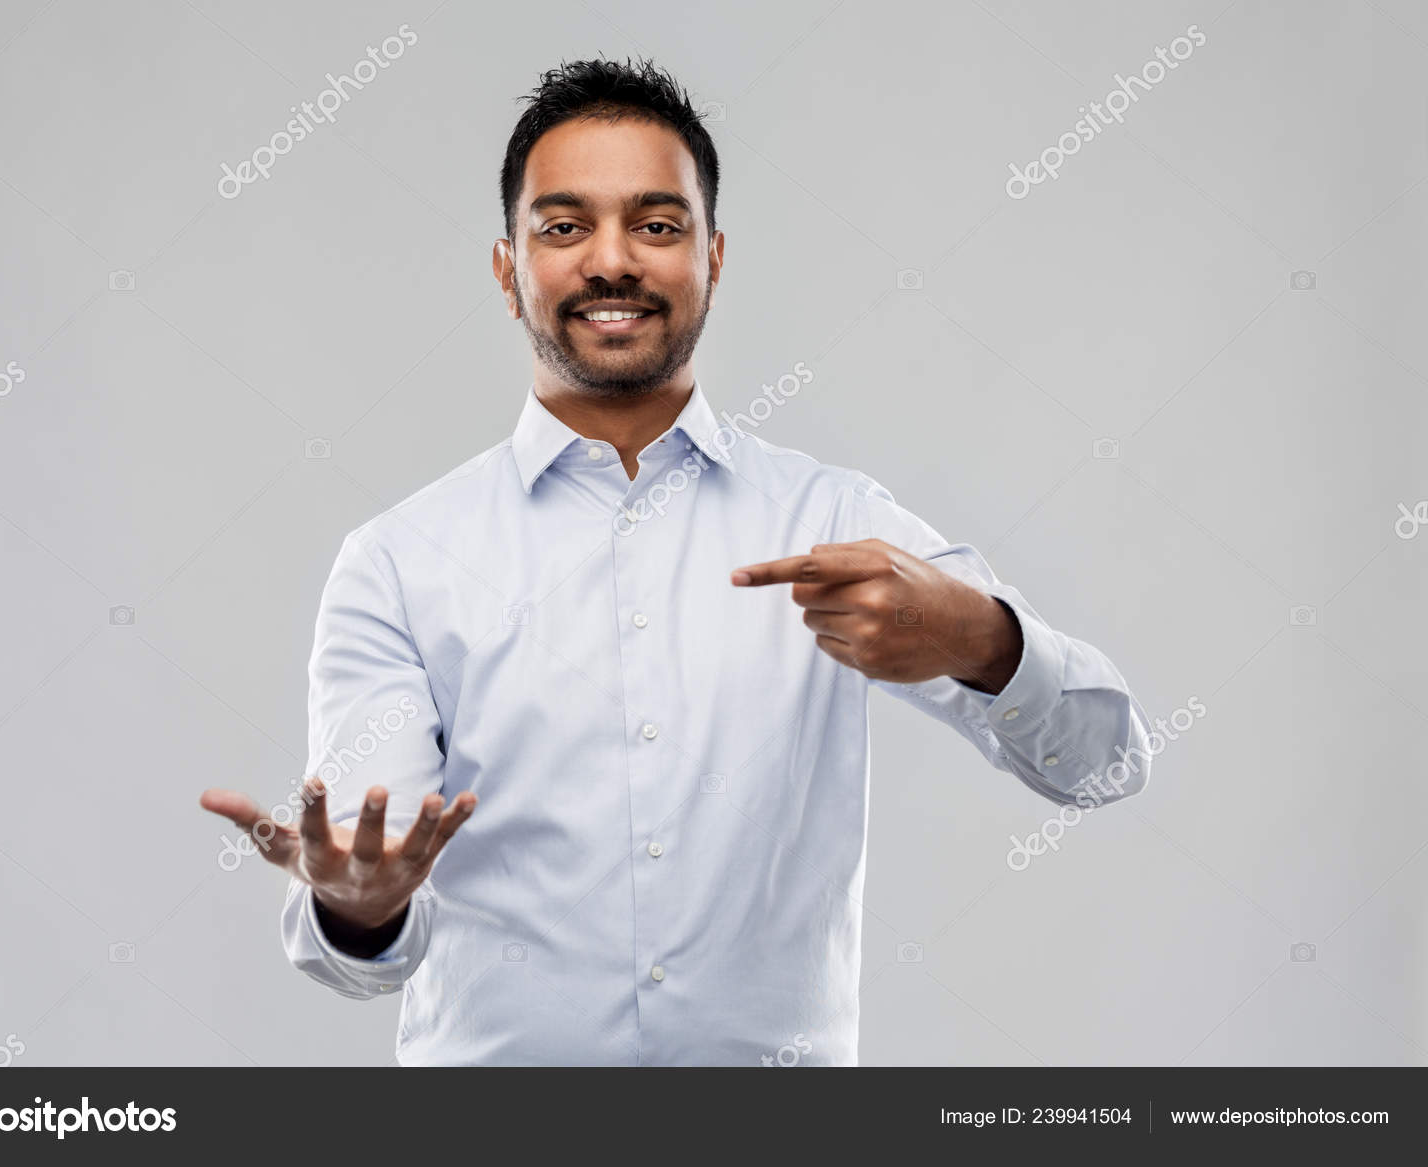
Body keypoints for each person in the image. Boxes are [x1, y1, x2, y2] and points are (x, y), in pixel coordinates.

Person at [200, 57, 1153, 1066]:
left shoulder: (831, 520)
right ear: (506, 268)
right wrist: (360, 913)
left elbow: (1106, 766)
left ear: (714, 255)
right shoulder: (401, 564)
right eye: (563, 227)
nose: (612, 262)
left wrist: (982, 639)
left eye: (657, 225)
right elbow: (366, 941)